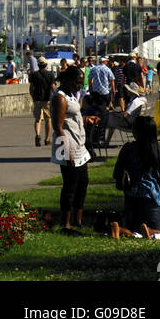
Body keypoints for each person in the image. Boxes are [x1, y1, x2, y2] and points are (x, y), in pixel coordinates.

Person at [113, 114, 160, 236]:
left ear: (136, 132)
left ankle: (120, 230)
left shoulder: (128, 148)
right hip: (151, 194)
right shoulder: (156, 151)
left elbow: (117, 171)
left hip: (131, 193)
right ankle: (148, 231)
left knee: (132, 227)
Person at [51, 65, 91, 233]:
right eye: (77, 82)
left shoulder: (71, 95)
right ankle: (65, 223)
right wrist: (66, 152)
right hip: (68, 146)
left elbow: (72, 117)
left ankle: (78, 220)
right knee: (71, 185)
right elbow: (58, 126)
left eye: (81, 83)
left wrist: (86, 119)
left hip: (79, 144)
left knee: (83, 182)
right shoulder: (59, 97)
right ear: (67, 80)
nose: (79, 86)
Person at [29, 57, 53, 147]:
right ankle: (47, 139)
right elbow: (53, 87)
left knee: (37, 119)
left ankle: (37, 135)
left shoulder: (33, 75)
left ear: (38, 65)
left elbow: (31, 88)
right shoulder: (50, 75)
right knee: (48, 119)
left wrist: (33, 97)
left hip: (37, 99)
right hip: (47, 99)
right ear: (46, 65)